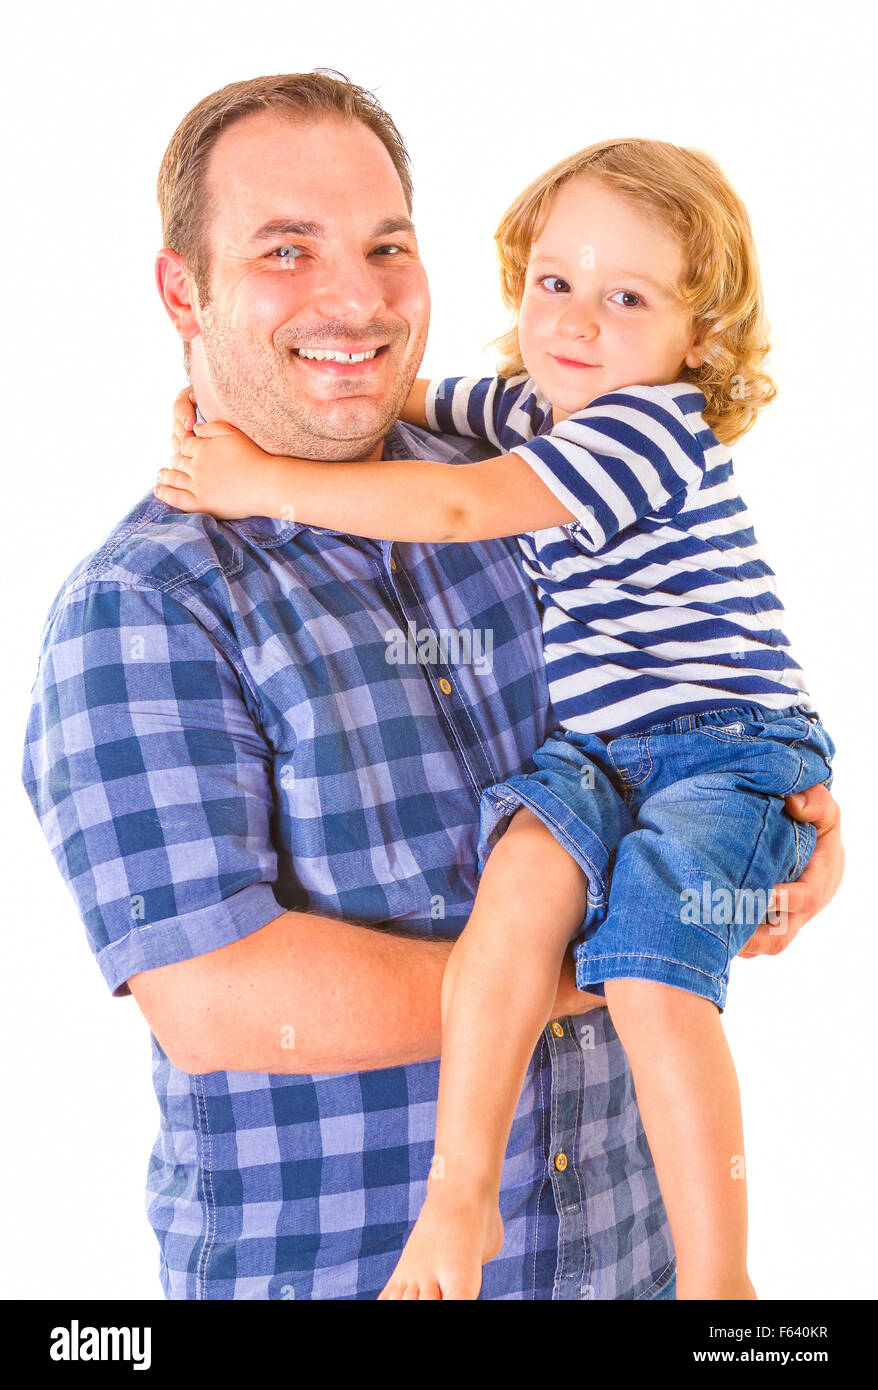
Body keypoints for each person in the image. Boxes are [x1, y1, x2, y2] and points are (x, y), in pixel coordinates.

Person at [21, 77, 842, 1302]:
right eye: (284, 252)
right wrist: (642, 950)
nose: (353, 299)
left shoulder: (521, 476)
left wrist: (774, 849)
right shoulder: (146, 605)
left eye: (385, 247)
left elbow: (683, 699)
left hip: (627, 1263)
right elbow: (215, 997)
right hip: (344, 1272)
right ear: (182, 293)